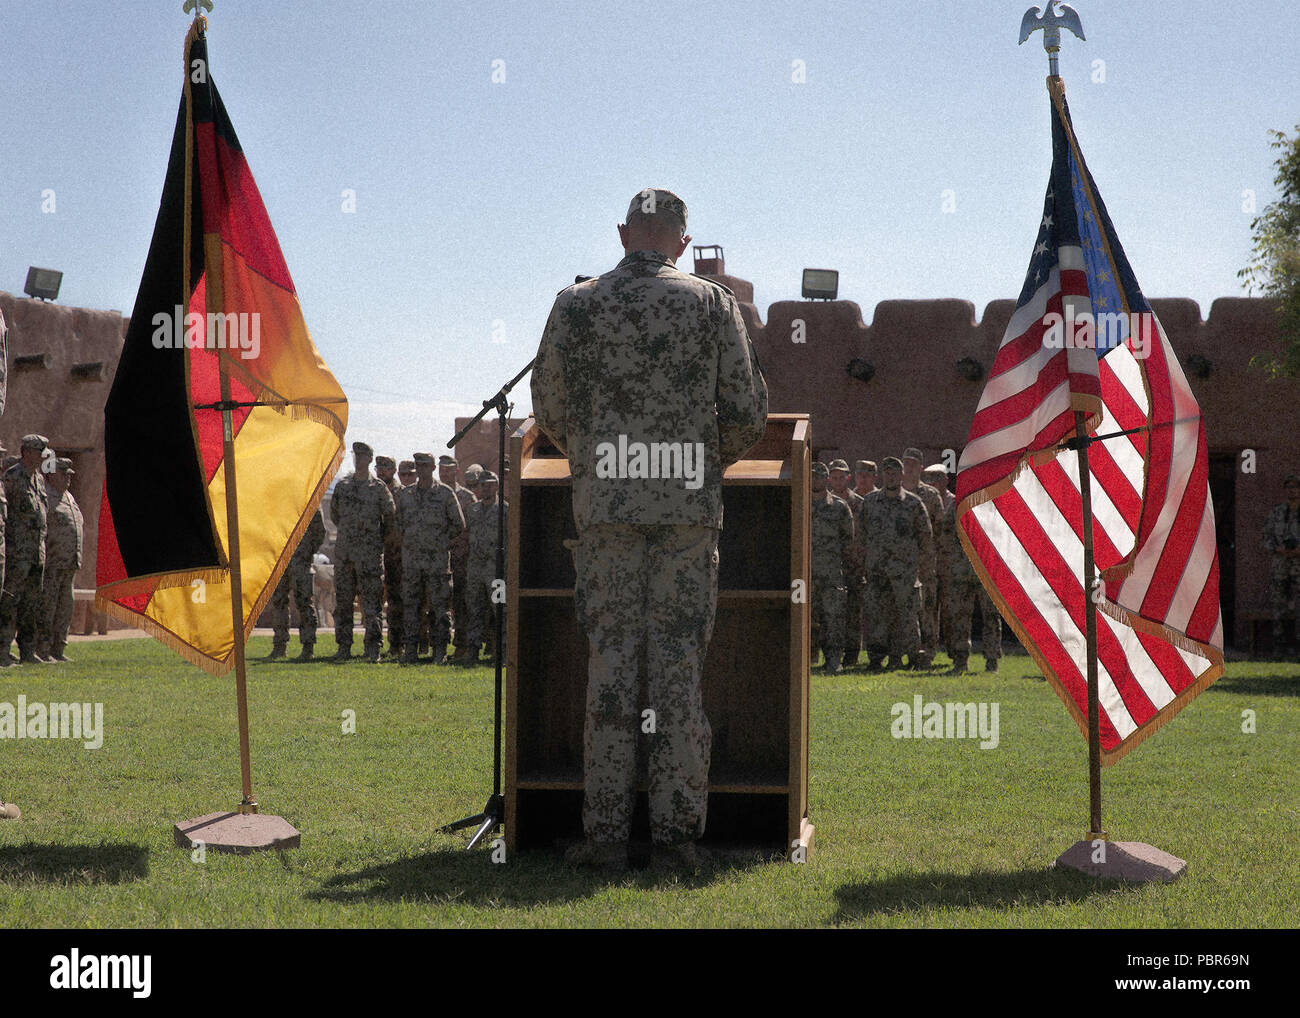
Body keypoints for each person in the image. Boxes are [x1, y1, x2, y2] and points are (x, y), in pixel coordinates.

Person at [531, 187, 768, 871]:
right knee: (677, 671)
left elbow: (549, 405)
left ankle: (604, 837)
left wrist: (601, 463)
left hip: (606, 514)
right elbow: (748, 412)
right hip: (686, 519)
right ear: (683, 243)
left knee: (609, 666)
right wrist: (693, 464)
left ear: (621, 233)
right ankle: (676, 842)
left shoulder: (575, 303)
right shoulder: (712, 304)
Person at [857, 456, 932, 670]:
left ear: (901, 475)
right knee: (877, 616)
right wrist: (862, 564)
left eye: (894, 472)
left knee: (907, 617)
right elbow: (860, 536)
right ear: (882, 475)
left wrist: (924, 569)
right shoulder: (870, 502)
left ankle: (908, 658)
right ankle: (876, 658)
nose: (890, 476)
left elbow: (925, 538)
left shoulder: (913, 503)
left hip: (904, 573)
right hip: (876, 571)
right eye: (887, 472)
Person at [330, 441, 396, 662]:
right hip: (345, 555)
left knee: (371, 604)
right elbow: (335, 516)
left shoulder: (378, 488)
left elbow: (390, 518)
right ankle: (344, 647)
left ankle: (373, 648)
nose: (358, 459)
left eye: (363, 456)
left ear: (370, 459)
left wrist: (375, 541)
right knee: (344, 603)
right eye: (356, 455)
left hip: (369, 556)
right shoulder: (343, 486)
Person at [398, 452, 466, 664]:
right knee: (411, 607)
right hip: (412, 562)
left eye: (426, 466)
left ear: (433, 468)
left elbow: (459, 525)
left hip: (437, 562)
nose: (421, 470)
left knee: (440, 608)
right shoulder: (406, 495)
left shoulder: (445, 494)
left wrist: (440, 541)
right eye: (418, 466)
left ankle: (440, 651)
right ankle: (410, 651)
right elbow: (398, 523)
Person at [0, 435, 50, 665]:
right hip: (17, 553)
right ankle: (2, 650)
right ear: (26, 451)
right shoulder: (13, 477)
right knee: (10, 602)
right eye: (39, 450)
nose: (42, 455)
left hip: (36, 553)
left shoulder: (38, 479)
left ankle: (27, 652)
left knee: (31, 603)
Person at [37, 458, 82, 663]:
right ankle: (43, 649)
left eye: (70, 474)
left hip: (69, 564)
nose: (68, 478)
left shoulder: (69, 497)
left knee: (65, 607)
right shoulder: (45, 496)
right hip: (52, 564)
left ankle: (59, 647)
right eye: (64, 474)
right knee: (48, 606)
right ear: (51, 474)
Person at [901, 447, 943, 668]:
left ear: (921, 468)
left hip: (925, 564)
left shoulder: (931, 496)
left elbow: (940, 531)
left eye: (913, 464)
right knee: (905, 609)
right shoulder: (892, 494)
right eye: (905, 464)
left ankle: (927, 653)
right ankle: (909, 652)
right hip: (900, 565)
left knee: (927, 609)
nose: (909, 468)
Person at [811, 462, 854, 674]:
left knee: (833, 620)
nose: (815, 480)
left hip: (831, 575)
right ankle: (806, 660)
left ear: (826, 480)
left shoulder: (839, 507)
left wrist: (848, 573)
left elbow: (848, 543)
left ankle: (833, 660)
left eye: (819, 477)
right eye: (812, 476)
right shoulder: (798, 503)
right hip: (805, 574)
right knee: (805, 618)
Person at [269, 509, 327, 660]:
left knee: (304, 603)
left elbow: (320, 532)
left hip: (301, 561)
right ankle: (279, 646)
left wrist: (307, 552)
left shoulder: (309, 500)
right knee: (279, 602)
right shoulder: (278, 501)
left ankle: (308, 648)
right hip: (280, 560)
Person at [462, 470, 505, 663]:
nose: (486, 488)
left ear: (497, 486)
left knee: (501, 610)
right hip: (475, 569)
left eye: (490, 484)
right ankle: (473, 652)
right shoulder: (473, 510)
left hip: (497, 571)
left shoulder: (505, 510)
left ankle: (503, 652)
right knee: (474, 609)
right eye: (483, 484)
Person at [828, 458, 863, 667]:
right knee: (831, 613)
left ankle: (852, 655)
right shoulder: (824, 503)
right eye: (834, 477)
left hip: (855, 565)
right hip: (832, 566)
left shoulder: (859, 503)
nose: (838, 481)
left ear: (848, 478)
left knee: (853, 612)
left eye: (842, 477)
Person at [1263, 474, 1300, 659]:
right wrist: (1277, 549)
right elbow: (1266, 537)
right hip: (1281, 566)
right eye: (1289, 487)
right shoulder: (1277, 512)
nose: (1292, 490)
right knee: (1279, 606)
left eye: (1296, 487)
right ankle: (1280, 646)